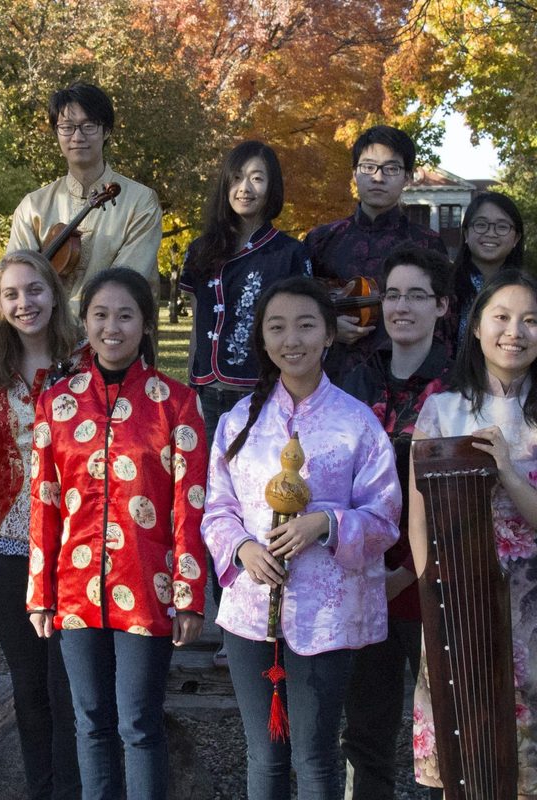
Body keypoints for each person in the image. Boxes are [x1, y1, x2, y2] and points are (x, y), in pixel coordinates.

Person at [202, 276, 401, 800]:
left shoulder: (357, 424)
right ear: (264, 339)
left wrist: (325, 524)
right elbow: (216, 509)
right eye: (278, 327)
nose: (292, 339)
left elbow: (384, 517)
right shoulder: (238, 422)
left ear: (329, 335)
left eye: (306, 325)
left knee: (314, 756)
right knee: (264, 755)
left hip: (326, 615)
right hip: (251, 613)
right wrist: (243, 548)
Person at [28, 267, 208, 800]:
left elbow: (189, 507)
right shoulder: (56, 403)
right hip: (73, 590)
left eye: (125, 315)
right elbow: (44, 503)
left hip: (148, 588)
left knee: (139, 723)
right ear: (84, 321)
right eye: (100, 315)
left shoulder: (176, 403)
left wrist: (189, 594)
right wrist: (40, 593)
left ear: (146, 323)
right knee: (90, 723)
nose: (112, 327)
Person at [0, 250, 85, 800]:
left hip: (78, 546)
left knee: (72, 688)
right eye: (11, 294)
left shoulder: (86, 364)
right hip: (7, 549)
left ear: (54, 294)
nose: (24, 302)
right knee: (30, 690)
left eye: (34, 289)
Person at [180, 138, 310, 666]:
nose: (245, 187)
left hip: (255, 389)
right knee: (213, 502)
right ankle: (226, 618)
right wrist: (190, 383)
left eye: (257, 177)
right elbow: (196, 321)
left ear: (271, 186)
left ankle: (269, 616)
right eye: (237, 177)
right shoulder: (201, 249)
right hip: (205, 391)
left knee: (257, 497)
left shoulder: (288, 252)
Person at [409, 269, 537, 799]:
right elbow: (419, 516)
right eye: (501, 317)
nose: (515, 332)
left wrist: (507, 469)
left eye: (530, 320)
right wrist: (430, 593)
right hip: (456, 601)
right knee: (461, 760)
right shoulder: (442, 409)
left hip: (530, 609)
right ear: (476, 326)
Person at [340, 245, 454, 800]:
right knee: (365, 730)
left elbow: (458, 499)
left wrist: (408, 572)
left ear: (442, 305)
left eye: (417, 295)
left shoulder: (459, 388)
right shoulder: (356, 378)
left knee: (446, 732)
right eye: (392, 294)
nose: (401, 307)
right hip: (364, 578)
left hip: (434, 580)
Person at [304, 125, 447, 380]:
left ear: (408, 177)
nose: (378, 177)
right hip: (330, 379)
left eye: (391, 169)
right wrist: (328, 326)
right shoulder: (322, 240)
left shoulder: (427, 243)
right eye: (368, 167)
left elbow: (443, 320)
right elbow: (298, 308)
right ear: (354, 173)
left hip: (404, 380)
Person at [6, 82, 162, 312]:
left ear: (106, 131)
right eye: (67, 127)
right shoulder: (33, 206)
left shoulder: (141, 201)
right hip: (47, 331)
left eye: (89, 126)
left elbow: (125, 286)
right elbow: (16, 280)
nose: (77, 136)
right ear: (56, 132)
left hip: (111, 329)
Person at [453, 190, 524, 343]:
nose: (491, 233)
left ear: (516, 239)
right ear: (466, 234)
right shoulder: (443, 287)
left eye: (502, 227)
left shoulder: (528, 291)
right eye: (481, 225)